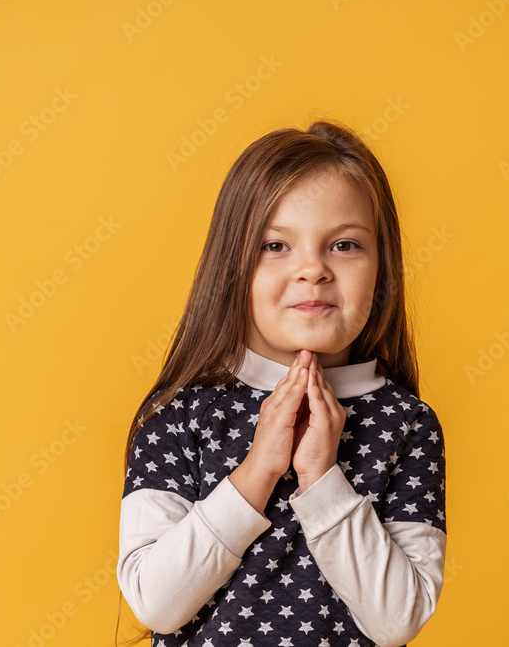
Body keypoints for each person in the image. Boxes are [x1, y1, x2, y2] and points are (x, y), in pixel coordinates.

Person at [117, 118, 447, 647]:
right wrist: (258, 471)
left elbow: (396, 620)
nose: (312, 270)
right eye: (276, 246)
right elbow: (157, 604)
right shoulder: (180, 415)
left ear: (383, 270)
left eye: (344, 246)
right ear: (233, 266)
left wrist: (321, 477)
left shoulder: (408, 425)